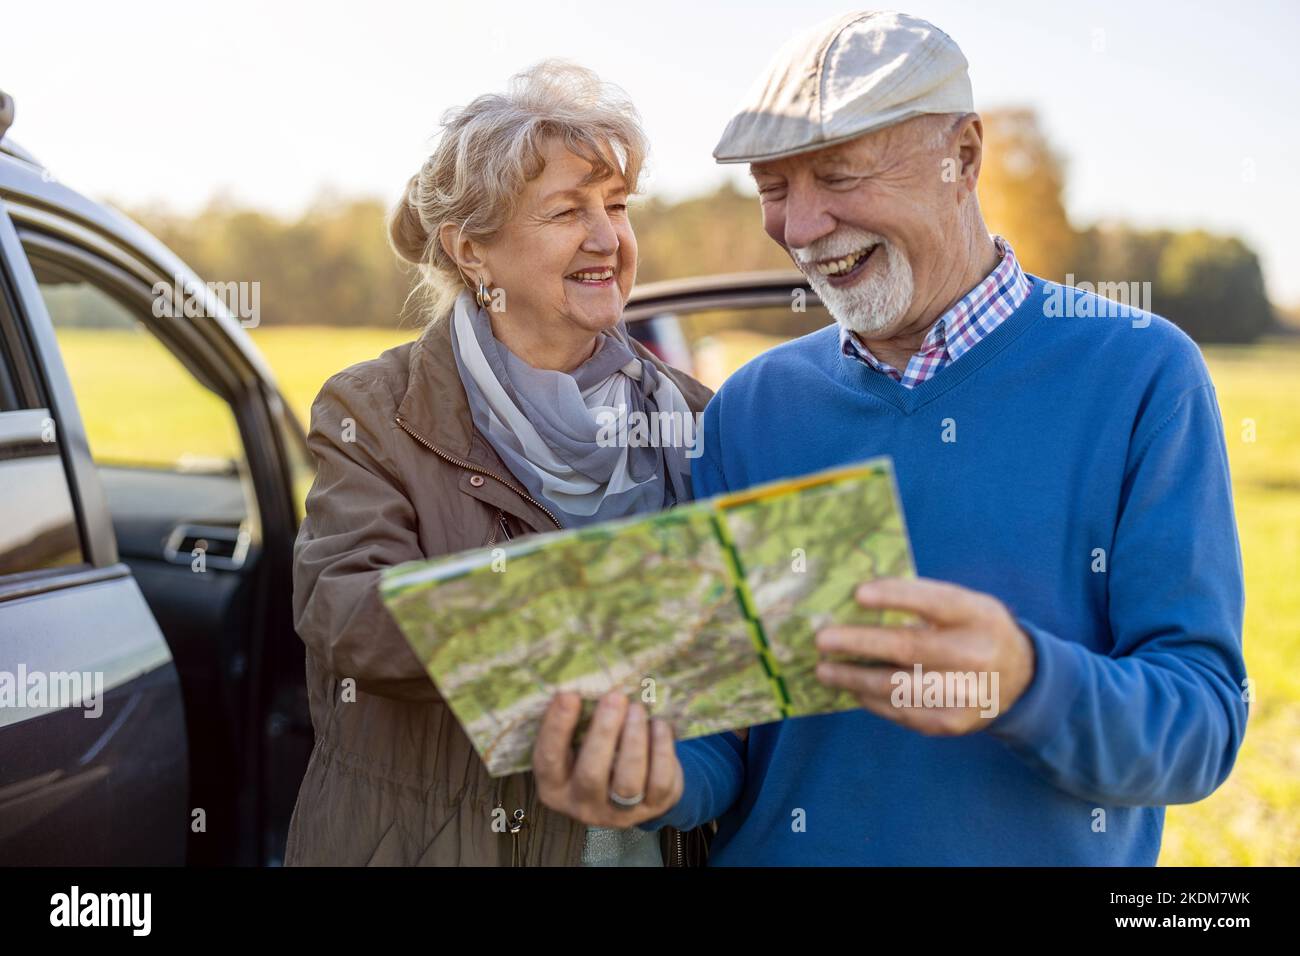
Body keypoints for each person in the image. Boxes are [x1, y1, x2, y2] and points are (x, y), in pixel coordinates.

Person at [534, 11, 1248, 865]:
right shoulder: (752, 408)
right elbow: (728, 739)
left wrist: (1026, 681)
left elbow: (1202, 724)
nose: (801, 227)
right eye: (773, 189)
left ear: (965, 157)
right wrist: (653, 781)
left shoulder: (1141, 374)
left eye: (839, 176)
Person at [285, 60, 712, 866]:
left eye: (617, 205)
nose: (606, 238)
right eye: (567, 210)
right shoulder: (374, 409)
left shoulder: (692, 415)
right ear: (471, 250)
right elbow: (347, 612)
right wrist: (600, 604)